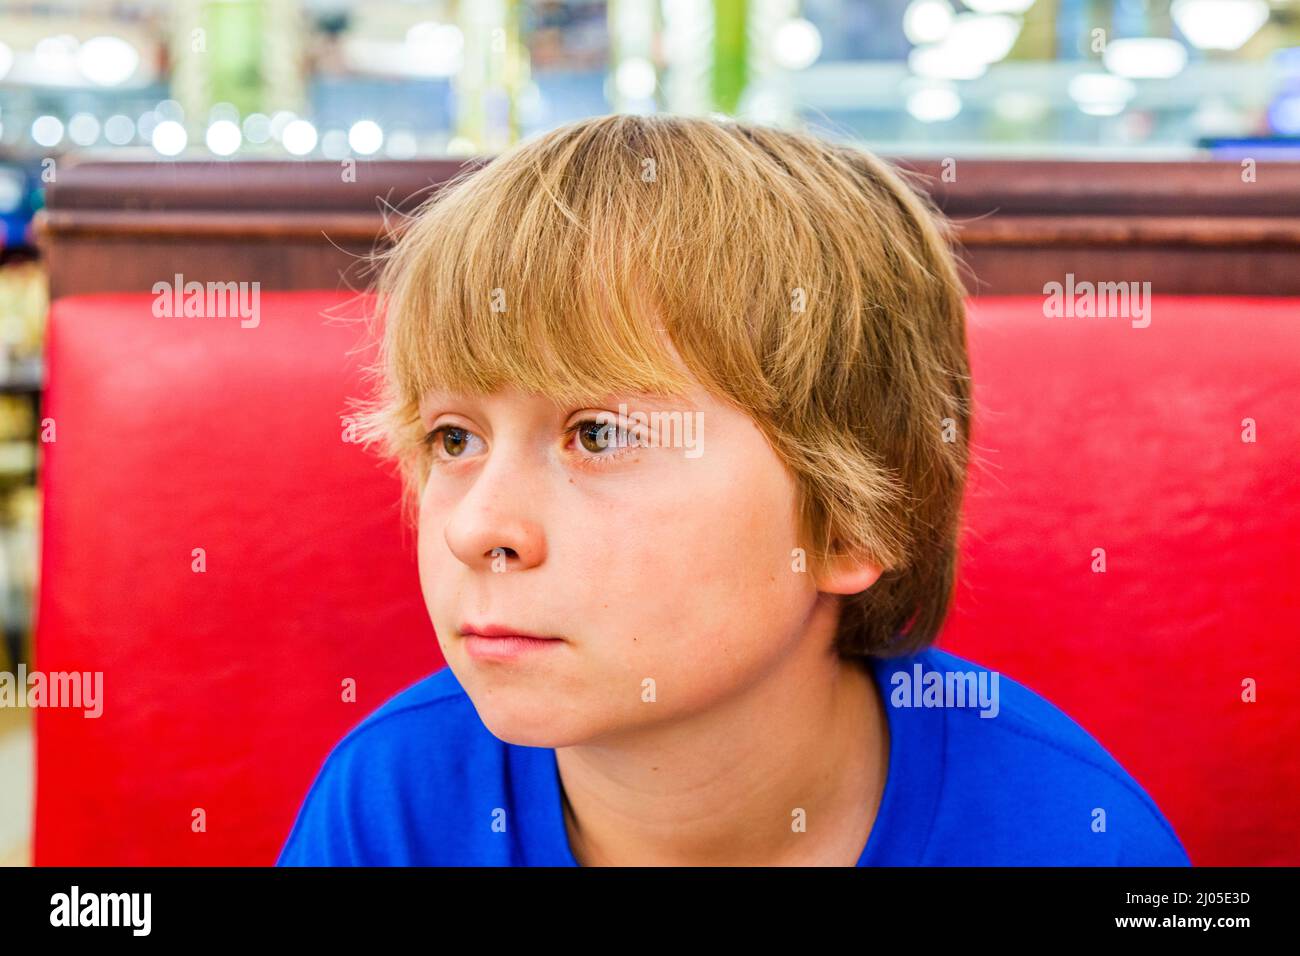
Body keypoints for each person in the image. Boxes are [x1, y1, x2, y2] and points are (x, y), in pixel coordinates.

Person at [276, 113, 1190, 866]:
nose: (477, 528)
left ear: (850, 521)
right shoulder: (389, 805)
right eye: (453, 438)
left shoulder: (1074, 838)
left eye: (598, 434)